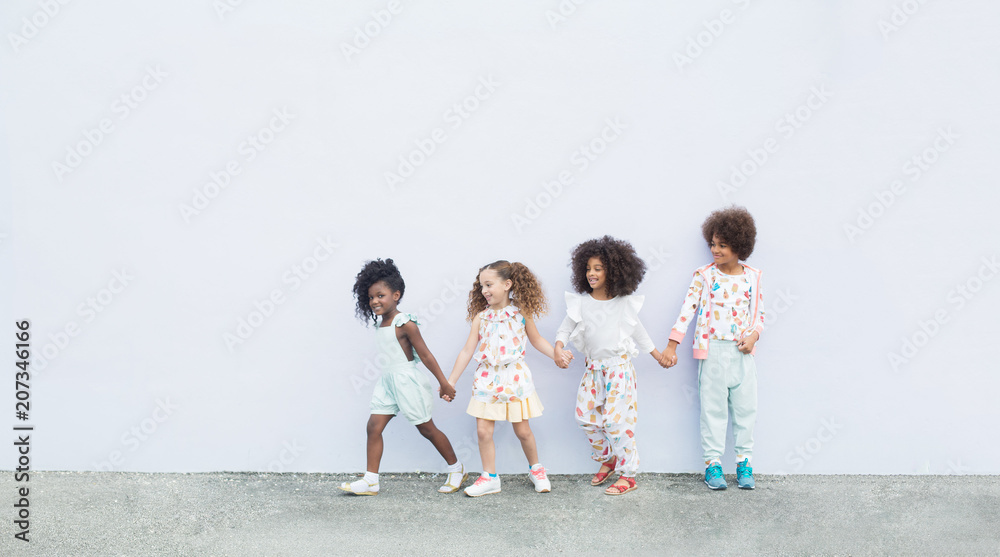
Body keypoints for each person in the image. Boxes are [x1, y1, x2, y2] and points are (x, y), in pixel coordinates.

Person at [659, 207, 765, 490]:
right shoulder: (705, 276)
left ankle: (744, 463)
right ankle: (712, 464)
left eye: (722, 245)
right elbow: (687, 310)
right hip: (713, 352)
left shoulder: (753, 277)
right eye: (713, 243)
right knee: (713, 411)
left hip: (742, 354)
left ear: (740, 245)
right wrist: (671, 345)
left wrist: (754, 336)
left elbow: (759, 315)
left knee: (746, 410)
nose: (715, 250)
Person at [339, 258, 465, 496]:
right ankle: (371, 480)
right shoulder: (381, 324)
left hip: (407, 381)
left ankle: (456, 468)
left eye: (381, 295)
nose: (375, 301)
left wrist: (444, 383)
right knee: (373, 427)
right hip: (387, 382)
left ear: (396, 295)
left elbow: (426, 355)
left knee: (426, 429)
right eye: (371, 297)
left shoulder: (404, 323)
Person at [445, 260, 570, 497]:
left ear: (507, 284)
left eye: (489, 284)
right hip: (487, 379)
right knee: (483, 432)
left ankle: (536, 470)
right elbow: (467, 351)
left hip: (515, 379)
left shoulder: (521, 313)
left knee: (523, 431)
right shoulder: (481, 318)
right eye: (481, 286)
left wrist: (556, 354)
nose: (484, 290)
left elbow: (536, 340)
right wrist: (450, 382)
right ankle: (489, 478)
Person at [554, 236, 664, 496]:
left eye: (598, 268)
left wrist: (659, 357)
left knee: (616, 423)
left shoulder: (623, 304)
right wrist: (558, 348)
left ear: (613, 271)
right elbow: (564, 329)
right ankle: (608, 459)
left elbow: (640, 335)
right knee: (585, 418)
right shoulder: (581, 303)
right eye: (588, 268)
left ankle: (628, 474)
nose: (591, 273)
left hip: (618, 371)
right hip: (593, 371)